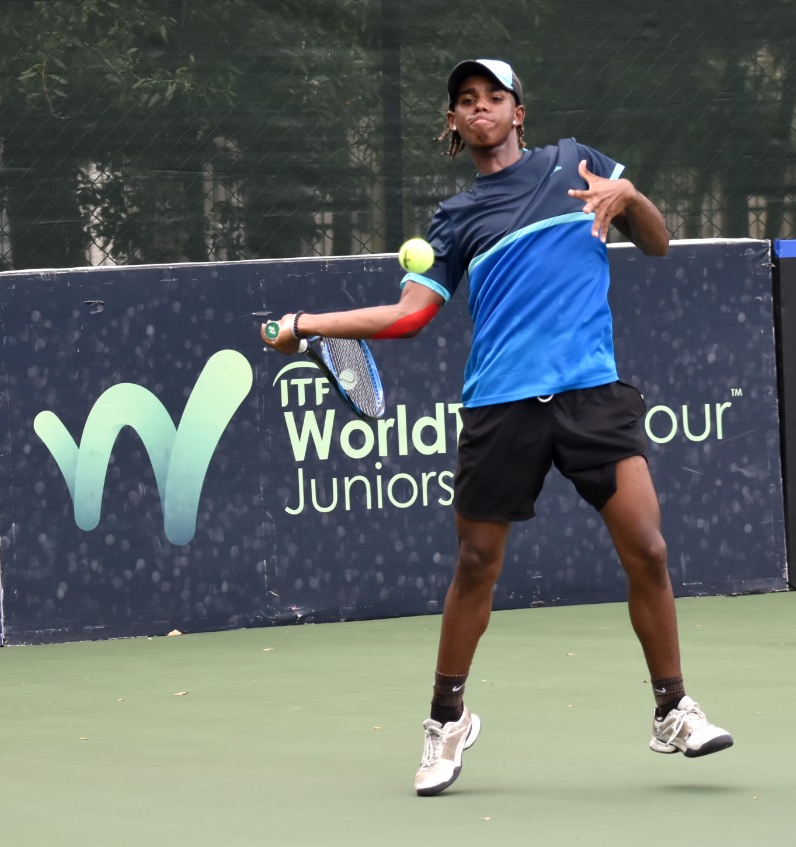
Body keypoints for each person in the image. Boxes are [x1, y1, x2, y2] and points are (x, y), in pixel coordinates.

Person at [261, 58, 732, 797]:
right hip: (501, 405)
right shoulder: (455, 219)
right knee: (477, 566)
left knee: (648, 546)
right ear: (453, 123)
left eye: (494, 97)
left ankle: (673, 708)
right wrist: (305, 323)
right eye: (465, 101)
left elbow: (658, 243)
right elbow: (410, 315)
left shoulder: (577, 164)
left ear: (519, 111)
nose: (479, 108)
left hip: (590, 394)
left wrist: (629, 192)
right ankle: (447, 721)